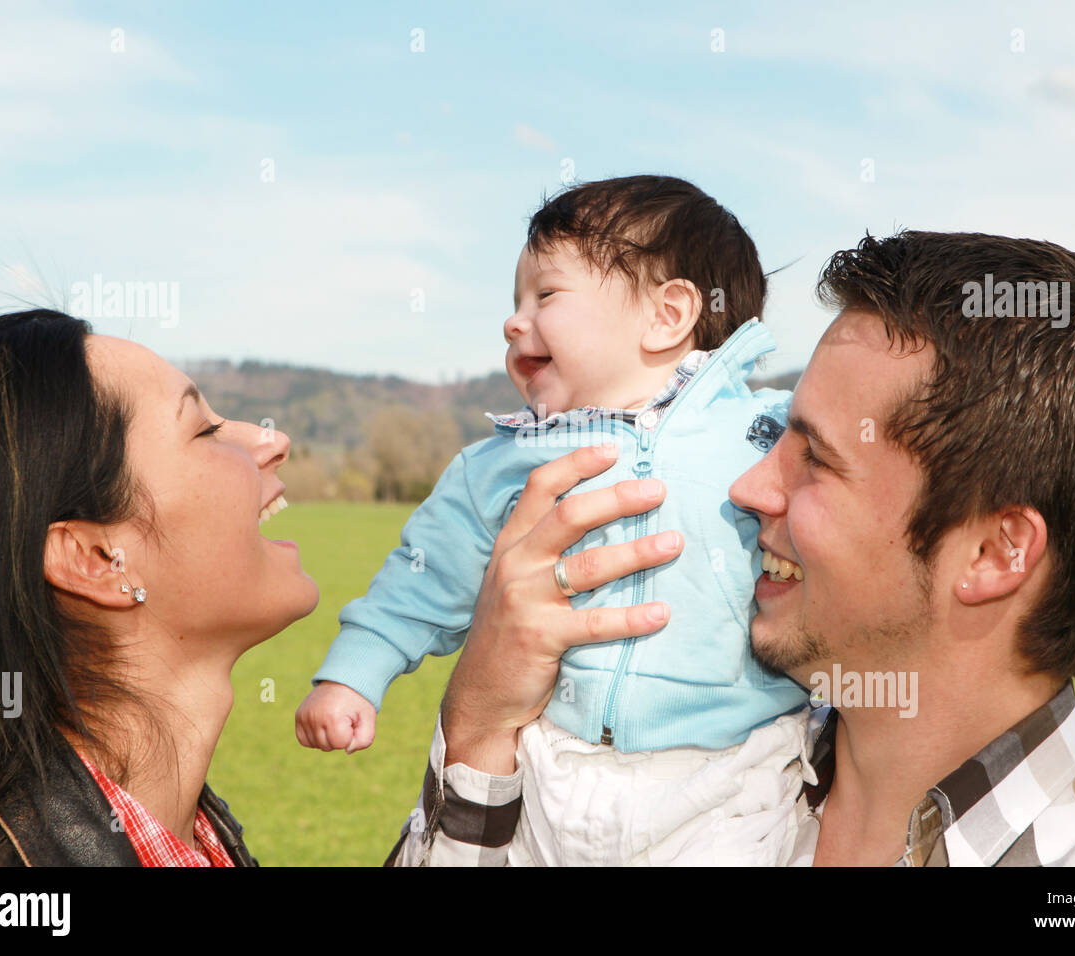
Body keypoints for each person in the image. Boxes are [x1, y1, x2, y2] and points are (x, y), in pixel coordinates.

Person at [387, 230, 1075, 866]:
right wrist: (480, 732)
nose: (749, 489)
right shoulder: (700, 758)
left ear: (995, 554)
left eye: (814, 457)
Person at [297, 175, 812, 865]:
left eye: (546, 295)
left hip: (733, 769)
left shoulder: (767, 431)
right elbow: (423, 574)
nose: (514, 321)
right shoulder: (504, 462)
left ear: (667, 315)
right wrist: (353, 673)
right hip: (550, 765)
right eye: (515, 301)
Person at [0, 309, 318, 865]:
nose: (273, 442)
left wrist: (473, 741)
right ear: (99, 560)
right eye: (203, 430)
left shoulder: (191, 840)